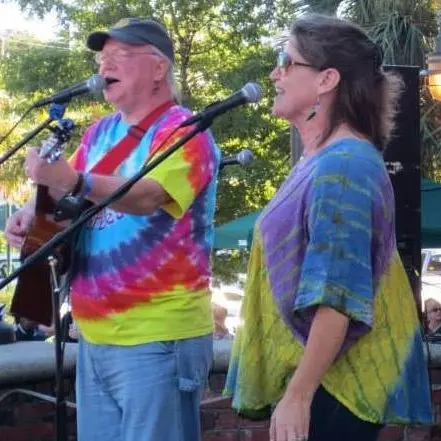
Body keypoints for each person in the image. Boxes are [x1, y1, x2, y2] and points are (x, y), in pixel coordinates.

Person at [5, 17, 220, 441]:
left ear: (159, 68)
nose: (105, 66)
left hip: (158, 336)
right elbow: (69, 191)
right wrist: (32, 213)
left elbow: (147, 196)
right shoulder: (102, 131)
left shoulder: (185, 130)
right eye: (102, 58)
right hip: (93, 333)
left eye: (119, 56)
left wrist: (70, 179)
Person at [224, 13, 431, 441]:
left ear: (327, 79)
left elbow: (337, 293)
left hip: (343, 388)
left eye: (287, 61)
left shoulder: (345, 165)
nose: (274, 73)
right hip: (326, 382)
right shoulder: (320, 161)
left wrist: (299, 394)